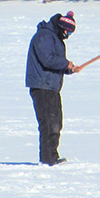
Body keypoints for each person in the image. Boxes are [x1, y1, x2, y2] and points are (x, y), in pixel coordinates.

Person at [25, 11, 78, 165]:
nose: (68, 35)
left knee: (56, 123)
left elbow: (56, 62)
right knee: (48, 123)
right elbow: (48, 59)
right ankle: (48, 160)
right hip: (42, 86)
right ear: (62, 27)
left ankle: (52, 156)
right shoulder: (44, 36)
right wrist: (65, 64)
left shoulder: (55, 38)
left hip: (51, 86)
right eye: (68, 31)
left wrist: (69, 69)